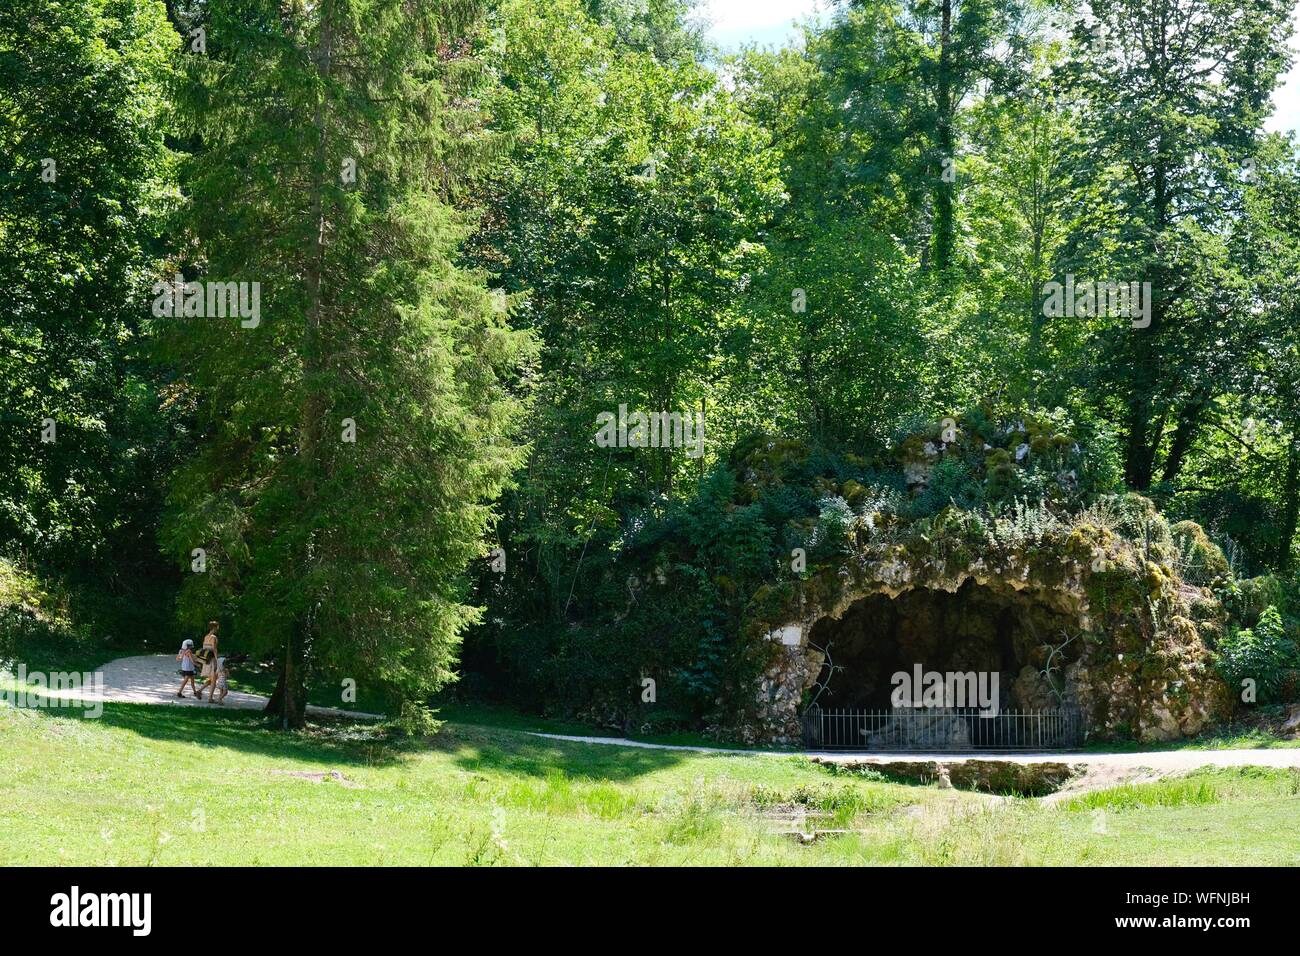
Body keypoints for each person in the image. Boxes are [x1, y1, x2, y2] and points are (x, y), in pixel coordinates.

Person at [195, 621, 220, 702]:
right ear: (214, 627)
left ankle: (199, 691)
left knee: (213, 679)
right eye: (217, 627)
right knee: (214, 680)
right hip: (212, 660)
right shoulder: (214, 637)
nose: (218, 628)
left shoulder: (206, 637)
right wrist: (217, 660)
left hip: (206, 661)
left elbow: (204, 648)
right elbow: (214, 649)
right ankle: (210, 698)